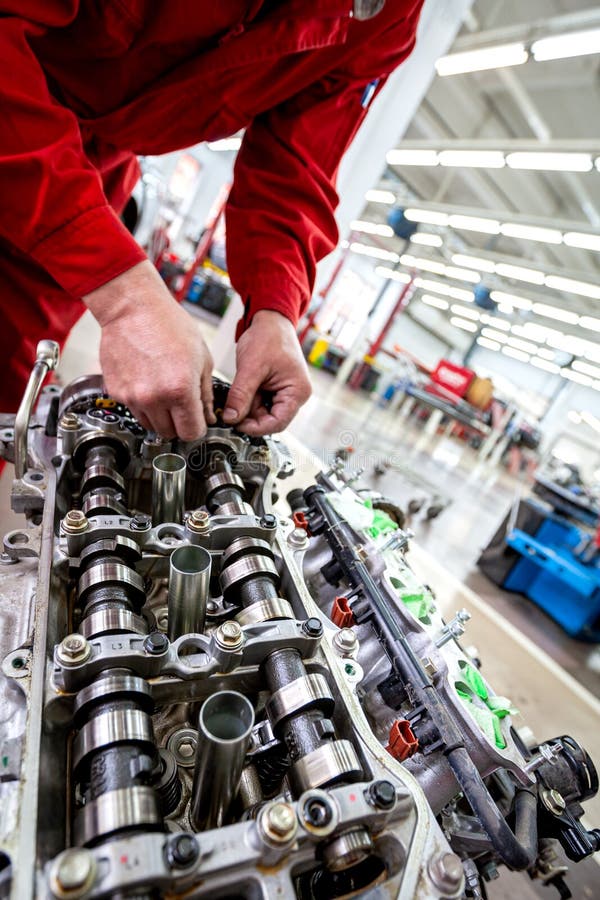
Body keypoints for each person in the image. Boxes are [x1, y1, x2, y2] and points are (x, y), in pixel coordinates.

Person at [0, 0, 423, 438]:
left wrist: (274, 310)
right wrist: (126, 297)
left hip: (82, 176)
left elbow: (296, 166)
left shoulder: (386, 14)